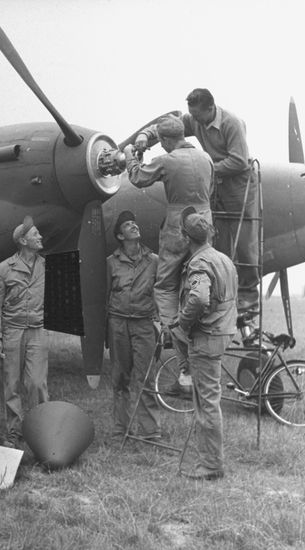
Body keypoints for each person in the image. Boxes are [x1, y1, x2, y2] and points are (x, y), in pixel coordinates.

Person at [135, 89, 259, 313]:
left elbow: (239, 161)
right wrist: (146, 135)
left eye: (198, 116)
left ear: (210, 109)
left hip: (239, 185)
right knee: (216, 241)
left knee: (245, 245)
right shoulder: (194, 118)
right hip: (214, 184)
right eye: (192, 116)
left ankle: (249, 299)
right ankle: (219, 295)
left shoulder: (232, 124)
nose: (195, 121)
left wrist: (205, 168)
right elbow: (170, 127)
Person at [124, 116, 213, 390]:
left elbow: (137, 177)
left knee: (164, 287)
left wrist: (130, 153)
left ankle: (177, 342)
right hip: (205, 222)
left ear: (163, 141)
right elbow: (212, 190)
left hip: (177, 226)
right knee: (197, 284)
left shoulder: (167, 160)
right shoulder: (206, 158)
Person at [171, 206, 237, 480]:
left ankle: (211, 465)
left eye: (181, 233)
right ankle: (210, 460)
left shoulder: (199, 263)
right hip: (221, 334)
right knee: (209, 399)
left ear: (187, 238)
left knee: (207, 403)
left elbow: (198, 298)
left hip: (206, 338)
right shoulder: (223, 259)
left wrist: (184, 324)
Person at [0, 215, 48, 449]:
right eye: (35, 234)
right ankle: (14, 431)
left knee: (36, 383)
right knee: (11, 384)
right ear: (23, 240)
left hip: (37, 330)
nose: (40, 237)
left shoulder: (46, 265)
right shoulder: (3, 269)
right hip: (13, 331)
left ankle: (40, 429)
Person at [106, 210, 162, 440]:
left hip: (144, 324)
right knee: (120, 378)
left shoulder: (154, 260)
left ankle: (150, 431)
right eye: (128, 225)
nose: (134, 226)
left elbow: (161, 291)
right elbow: (104, 293)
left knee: (145, 376)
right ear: (120, 236)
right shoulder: (111, 262)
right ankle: (122, 429)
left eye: (134, 223)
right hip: (118, 323)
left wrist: (161, 322)